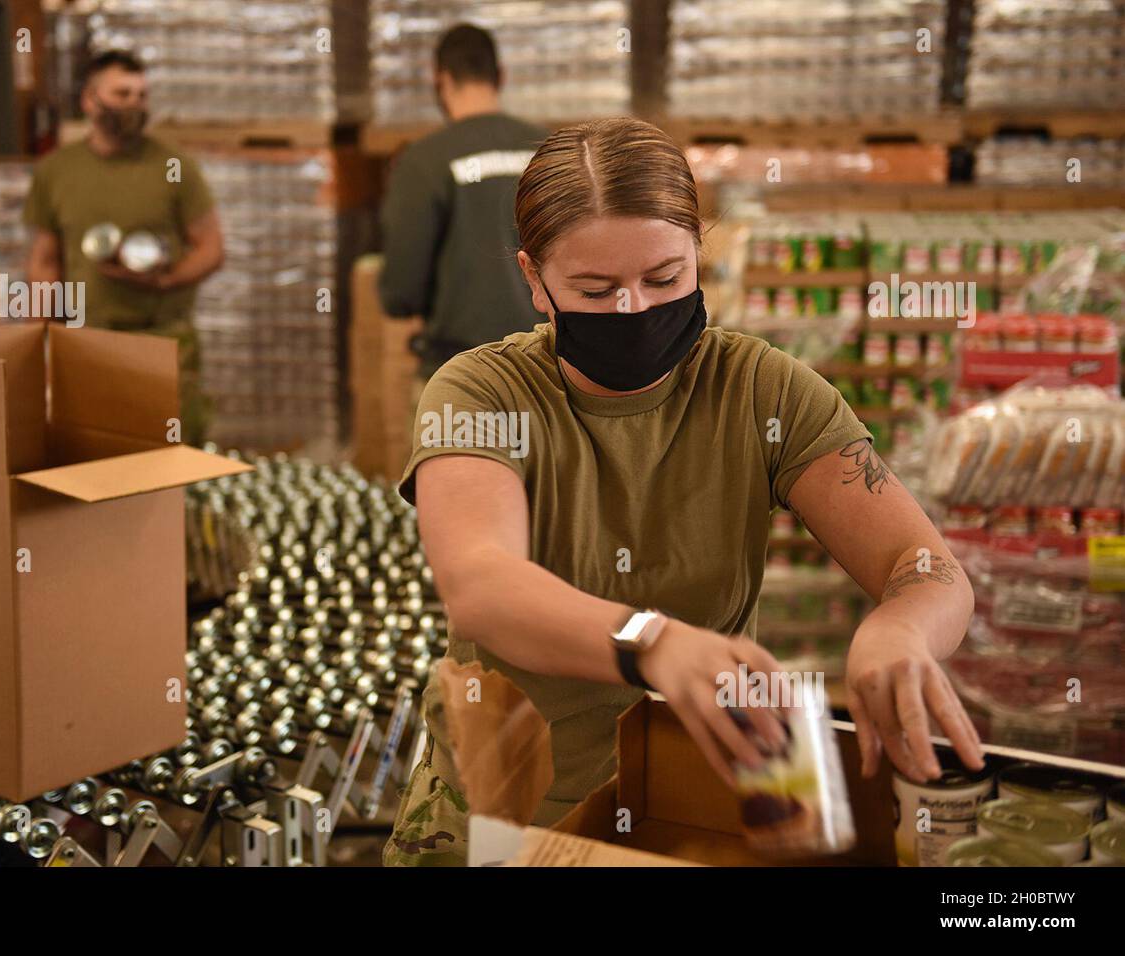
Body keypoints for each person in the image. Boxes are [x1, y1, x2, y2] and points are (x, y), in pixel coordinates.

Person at [383, 117, 985, 867]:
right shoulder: (482, 394)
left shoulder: (763, 390)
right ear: (535, 281)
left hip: (698, 808)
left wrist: (901, 631)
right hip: (506, 818)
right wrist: (654, 643)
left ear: (701, 252)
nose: (634, 309)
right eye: (596, 289)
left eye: (664, 278)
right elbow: (481, 585)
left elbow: (925, 567)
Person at [24, 50, 223, 444]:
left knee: (171, 467)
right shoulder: (57, 171)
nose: (134, 104)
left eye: (142, 95)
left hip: (164, 343)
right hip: (90, 343)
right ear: (90, 100)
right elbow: (45, 263)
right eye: (122, 93)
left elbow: (212, 249)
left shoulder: (173, 165)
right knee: (99, 461)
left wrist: (164, 281)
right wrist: (38, 341)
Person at [378, 24, 548, 422]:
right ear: (501, 76)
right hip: (547, 381)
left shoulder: (424, 162)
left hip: (458, 385)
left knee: (454, 485)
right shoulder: (546, 151)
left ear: (440, 80)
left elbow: (401, 292)